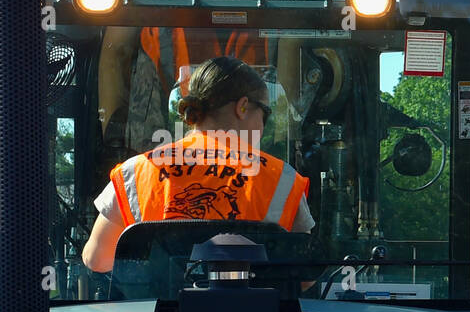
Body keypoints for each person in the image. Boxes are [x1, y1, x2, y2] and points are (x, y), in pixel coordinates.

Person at [82, 57, 314, 274]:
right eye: (265, 114)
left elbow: (97, 260)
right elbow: (306, 274)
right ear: (242, 107)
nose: (263, 127)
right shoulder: (282, 178)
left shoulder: (137, 171)